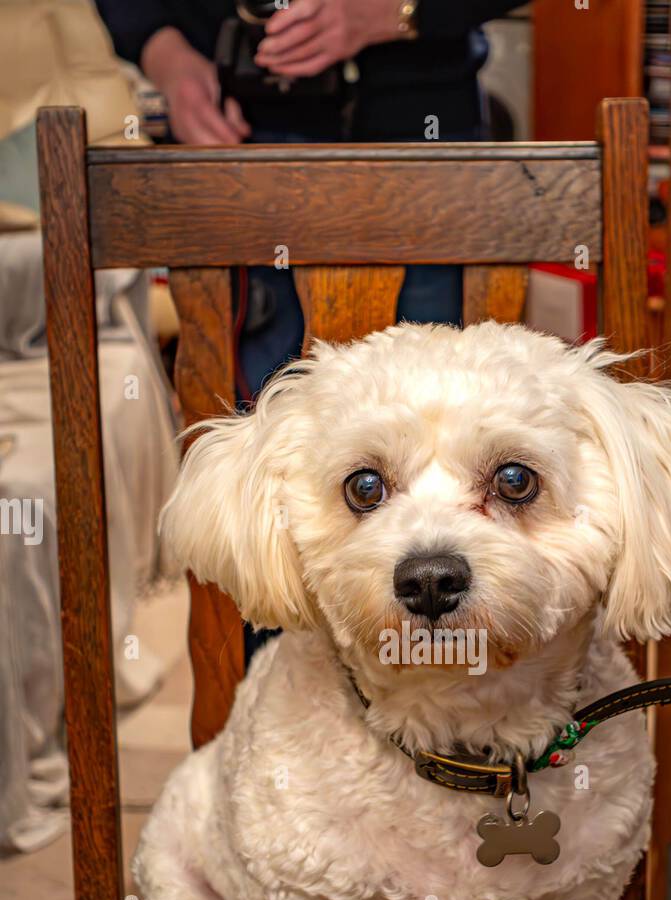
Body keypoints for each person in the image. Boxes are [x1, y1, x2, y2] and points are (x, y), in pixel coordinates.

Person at [96, 0, 523, 656]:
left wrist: (399, 13)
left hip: (427, 137)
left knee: (461, 447)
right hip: (244, 135)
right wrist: (168, 55)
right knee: (272, 480)